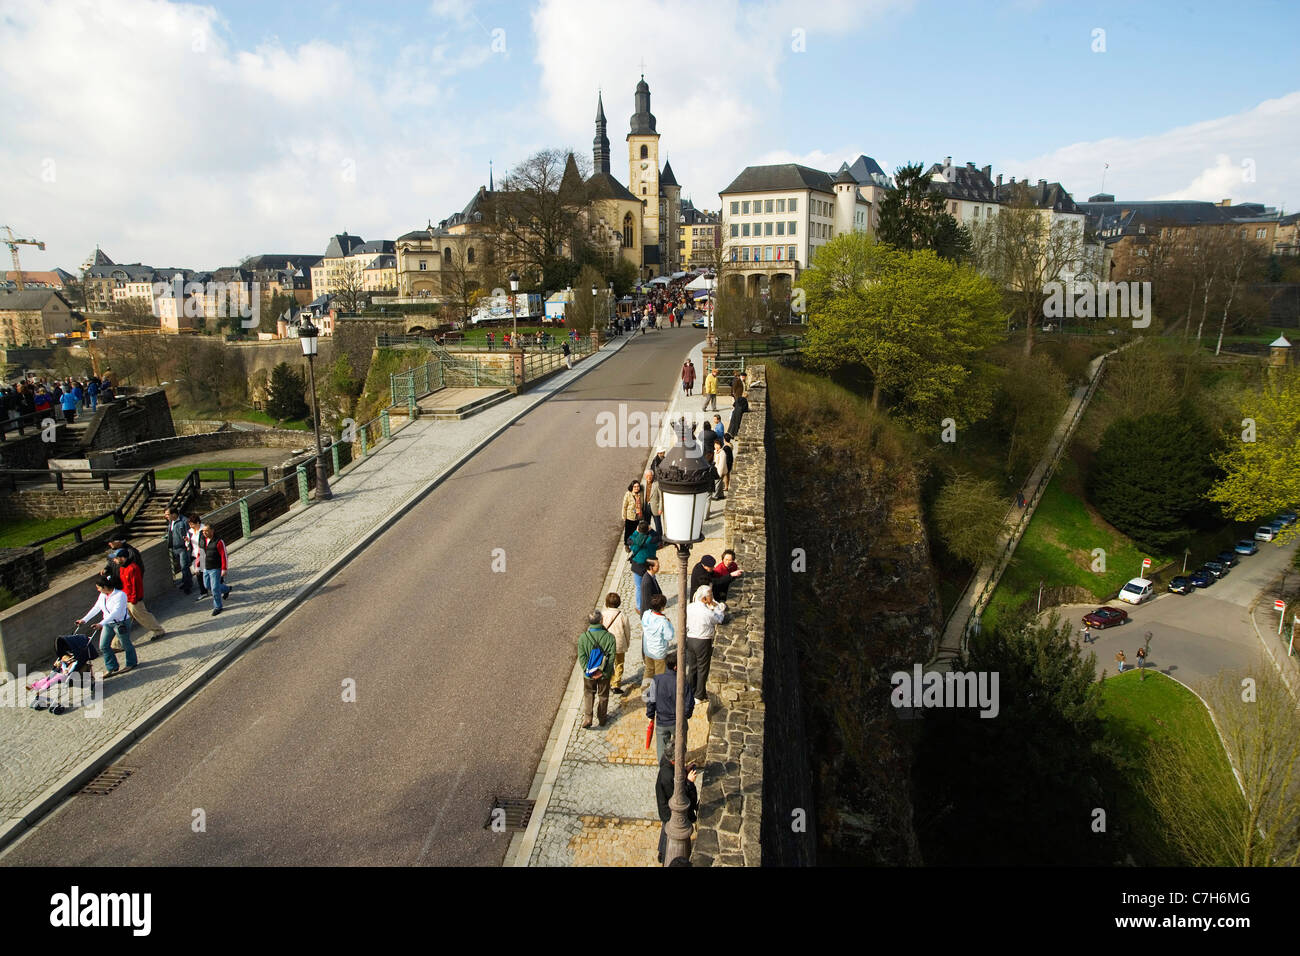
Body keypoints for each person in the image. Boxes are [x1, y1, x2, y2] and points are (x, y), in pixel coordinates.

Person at [77, 573, 136, 678]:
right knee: (103, 646)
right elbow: (96, 608)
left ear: (105, 587)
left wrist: (101, 623)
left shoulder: (120, 595)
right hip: (108, 623)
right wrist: (84, 620)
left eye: (98, 587)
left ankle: (131, 663)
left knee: (125, 644)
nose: (98, 590)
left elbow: (116, 612)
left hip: (120, 623)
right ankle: (111, 667)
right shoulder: (103, 596)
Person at [644, 648, 693, 763]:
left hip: (662, 721)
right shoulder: (682, 682)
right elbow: (689, 703)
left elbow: (651, 700)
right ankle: (679, 767)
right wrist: (685, 716)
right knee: (680, 750)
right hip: (678, 721)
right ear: (676, 667)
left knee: (662, 753)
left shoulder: (657, 680)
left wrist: (650, 715)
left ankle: (664, 770)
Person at [655, 745, 699, 864]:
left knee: (665, 830)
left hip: (665, 809)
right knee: (668, 832)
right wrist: (689, 782)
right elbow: (678, 797)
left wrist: (684, 770)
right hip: (669, 812)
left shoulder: (667, 764)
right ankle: (664, 856)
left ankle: (661, 852)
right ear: (675, 760)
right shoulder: (668, 776)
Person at [685, 583, 725, 704]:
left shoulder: (690, 607)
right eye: (710, 595)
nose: (712, 597)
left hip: (690, 638)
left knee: (692, 667)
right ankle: (699, 695)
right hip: (703, 641)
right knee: (703, 668)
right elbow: (719, 619)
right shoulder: (707, 612)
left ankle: (690, 691)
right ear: (704, 598)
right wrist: (718, 608)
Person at [113, 549, 166, 640]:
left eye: (116, 558)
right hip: (126, 598)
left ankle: (158, 630)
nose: (114, 560)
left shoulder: (133, 568)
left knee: (143, 617)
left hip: (134, 600)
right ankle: (117, 643)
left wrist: (134, 599)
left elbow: (136, 585)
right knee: (123, 621)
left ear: (122, 558)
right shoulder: (122, 568)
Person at [577, 610, 617, 729]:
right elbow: (611, 658)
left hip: (588, 674)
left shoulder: (583, 638)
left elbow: (582, 657)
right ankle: (602, 718)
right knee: (603, 695)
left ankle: (588, 717)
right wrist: (604, 672)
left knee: (589, 694)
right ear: (601, 621)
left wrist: (588, 670)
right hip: (604, 675)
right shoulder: (610, 637)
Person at [198, 523, 232, 615]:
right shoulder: (202, 539)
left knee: (215, 589)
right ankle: (226, 589)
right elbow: (200, 552)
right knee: (207, 586)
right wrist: (198, 565)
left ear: (212, 531)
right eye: (203, 531)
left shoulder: (219, 541)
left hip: (215, 568)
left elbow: (223, 555)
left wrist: (224, 569)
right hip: (206, 567)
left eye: (206, 531)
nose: (204, 532)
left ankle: (218, 606)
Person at [641, 593, 673, 686]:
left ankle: (645, 691)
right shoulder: (663, 621)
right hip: (658, 652)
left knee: (649, 670)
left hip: (648, 649)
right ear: (662, 607)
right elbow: (669, 636)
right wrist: (669, 623)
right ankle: (658, 694)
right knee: (660, 674)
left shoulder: (646, 614)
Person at [601, 593, 630, 696]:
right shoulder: (622, 615)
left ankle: (610, 680)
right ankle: (616, 684)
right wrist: (627, 642)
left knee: (608, 663)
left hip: (606, 644)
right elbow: (627, 631)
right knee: (619, 663)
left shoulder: (603, 614)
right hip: (619, 643)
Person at [627, 521, 660, 610]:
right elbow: (657, 537)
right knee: (652, 584)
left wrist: (636, 532)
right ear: (648, 529)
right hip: (649, 565)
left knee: (638, 587)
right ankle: (656, 602)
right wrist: (651, 530)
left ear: (638, 529)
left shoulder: (634, 540)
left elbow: (628, 540)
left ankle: (639, 606)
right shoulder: (651, 540)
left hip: (637, 565)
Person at [164, 507, 192, 594]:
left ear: (174, 514)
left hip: (183, 548)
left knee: (184, 566)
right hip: (174, 548)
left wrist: (188, 546)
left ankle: (187, 586)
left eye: (167, 514)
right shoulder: (171, 522)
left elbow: (190, 534)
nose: (166, 516)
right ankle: (187, 582)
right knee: (183, 567)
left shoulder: (184, 521)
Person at [186, 515, 207, 599]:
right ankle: (203, 591)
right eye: (190, 524)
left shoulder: (204, 530)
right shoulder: (190, 532)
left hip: (203, 554)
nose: (191, 526)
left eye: (192, 524)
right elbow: (188, 544)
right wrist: (187, 542)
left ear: (198, 523)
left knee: (207, 572)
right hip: (194, 554)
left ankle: (219, 587)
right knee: (198, 574)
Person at [621, 480, 643, 547]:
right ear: (632, 487)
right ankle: (627, 544)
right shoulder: (628, 494)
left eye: (638, 486)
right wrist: (624, 516)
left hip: (637, 516)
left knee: (635, 531)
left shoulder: (640, 494)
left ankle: (633, 544)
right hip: (629, 516)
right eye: (635, 487)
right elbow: (624, 506)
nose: (636, 488)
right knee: (628, 532)